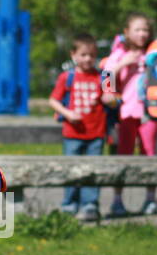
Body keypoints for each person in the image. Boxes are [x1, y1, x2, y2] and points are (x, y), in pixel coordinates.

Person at [48, 33, 112, 221]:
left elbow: (115, 99)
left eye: (92, 55)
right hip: (73, 132)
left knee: (93, 169)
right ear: (73, 55)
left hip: (97, 131)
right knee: (71, 169)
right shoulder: (66, 77)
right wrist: (67, 114)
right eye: (83, 55)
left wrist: (111, 99)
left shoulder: (106, 76)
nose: (88, 59)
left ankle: (90, 204)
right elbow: (53, 100)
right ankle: (69, 203)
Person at [100, 13, 157, 216]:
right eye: (138, 30)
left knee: (149, 154)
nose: (142, 34)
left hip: (149, 113)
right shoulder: (118, 54)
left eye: (146, 30)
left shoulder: (153, 53)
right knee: (123, 154)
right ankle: (117, 200)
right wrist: (124, 63)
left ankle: (151, 199)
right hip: (125, 113)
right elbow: (106, 80)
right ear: (126, 32)